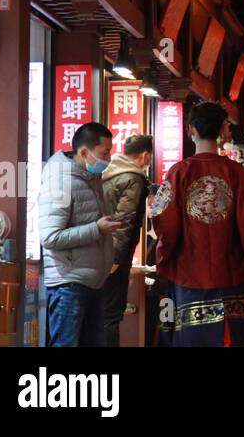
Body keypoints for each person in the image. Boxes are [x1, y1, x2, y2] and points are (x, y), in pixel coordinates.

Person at [152, 102, 244, 347]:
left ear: (191, 130)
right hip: (232, 270)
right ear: (221, 131)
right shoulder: (235, 172)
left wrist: (164, 259)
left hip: (189, 271)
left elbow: (166, 222)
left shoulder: (179, 171)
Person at [39, 122, 119, 346]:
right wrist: (97, 229)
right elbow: (50, 237)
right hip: (69, 284)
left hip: (91, 281)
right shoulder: (61, 181)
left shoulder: (90, 179)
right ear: (84, 152)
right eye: (105, 153)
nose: (108, 158)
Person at [99, 133, 153, 346]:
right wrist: (115, 258)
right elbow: (124, 221)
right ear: (145, 155)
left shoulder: (108, 172)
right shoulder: (133, 177)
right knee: (110, 315)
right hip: (113, 257)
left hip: (96, 249)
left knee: (99, 312)